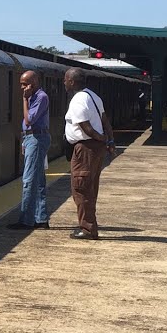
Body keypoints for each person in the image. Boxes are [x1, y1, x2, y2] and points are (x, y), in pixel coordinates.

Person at [63, 67, 115, 240]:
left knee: (81, 187)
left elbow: (85, 126)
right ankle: (89, 225)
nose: (64, 82)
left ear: (72, 81)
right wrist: (110, 141)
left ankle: (87, 229)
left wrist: (101, 138)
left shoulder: (78, 99)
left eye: (65, 80)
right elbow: (105, 120)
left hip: (86, 148)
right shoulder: (93, 96)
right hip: (94, 149)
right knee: (90, 187)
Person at [6, 70, 50, 230]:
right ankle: (41, 218)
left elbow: (29, 120)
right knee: (38, 180)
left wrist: (25, 100)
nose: (22, 88)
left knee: (29, 180)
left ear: (34, 83)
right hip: (32, 138)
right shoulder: (34, 97)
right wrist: (25, 140)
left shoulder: (41, 97)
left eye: (24, 84)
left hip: (37, 139)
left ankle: (26, 220)